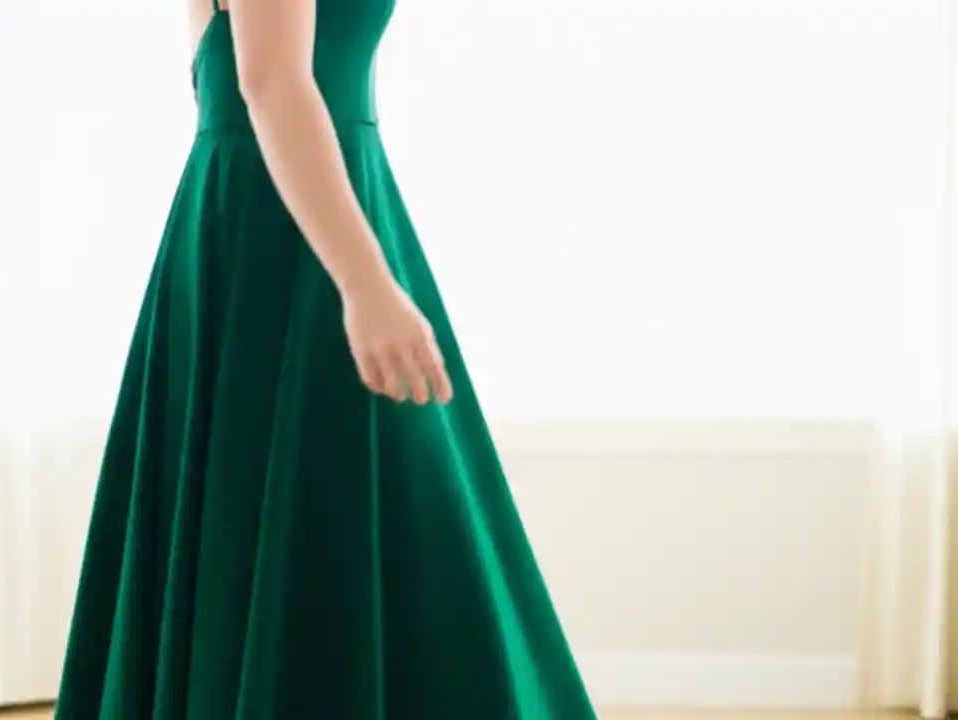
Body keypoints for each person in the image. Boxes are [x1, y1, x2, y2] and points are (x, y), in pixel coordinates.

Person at [54, 0, 599, 717]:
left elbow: (220, 71)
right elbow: (272, 81)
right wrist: (362, 279)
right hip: (287, 233)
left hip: (275, 209)